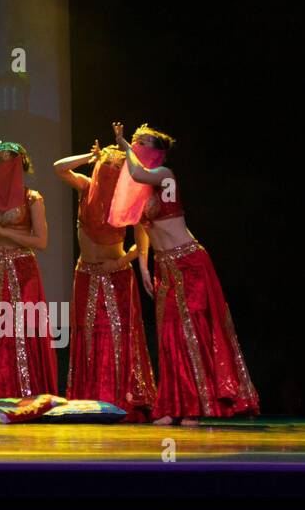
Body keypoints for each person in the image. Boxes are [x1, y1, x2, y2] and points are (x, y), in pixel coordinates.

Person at [110, 122, 259, 425]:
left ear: (156, 152)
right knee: (169, 336)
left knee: (191, 333)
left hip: (189, 262)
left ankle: (196, 406)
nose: (136, 146)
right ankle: (172, 405)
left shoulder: (165, 176)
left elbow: (138, 172)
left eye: (141, 143)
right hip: (165, 266)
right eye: (135, 142)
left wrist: (123, 142)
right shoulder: (142, 187)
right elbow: (142, 229)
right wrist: (142, 266)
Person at [53, 141, 156, 420]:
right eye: (106, 164)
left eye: (116, 166)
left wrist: (120, 263)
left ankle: (120, 397)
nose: (109, 170)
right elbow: (58, 168)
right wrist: (90, 156)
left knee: (117, 338)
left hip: (116, 275)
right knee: (88, 336)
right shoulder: (86, 187)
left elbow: (143, 243)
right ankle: (90, 398)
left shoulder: (130, 199)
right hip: (85, 273)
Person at [0, 140, 58, 405]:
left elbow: (41, 242)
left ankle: (28, 393)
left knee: (23, 327)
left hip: (22, 269)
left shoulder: (33, 198)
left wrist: (5, 232)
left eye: (2, 160)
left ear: (16, 164)